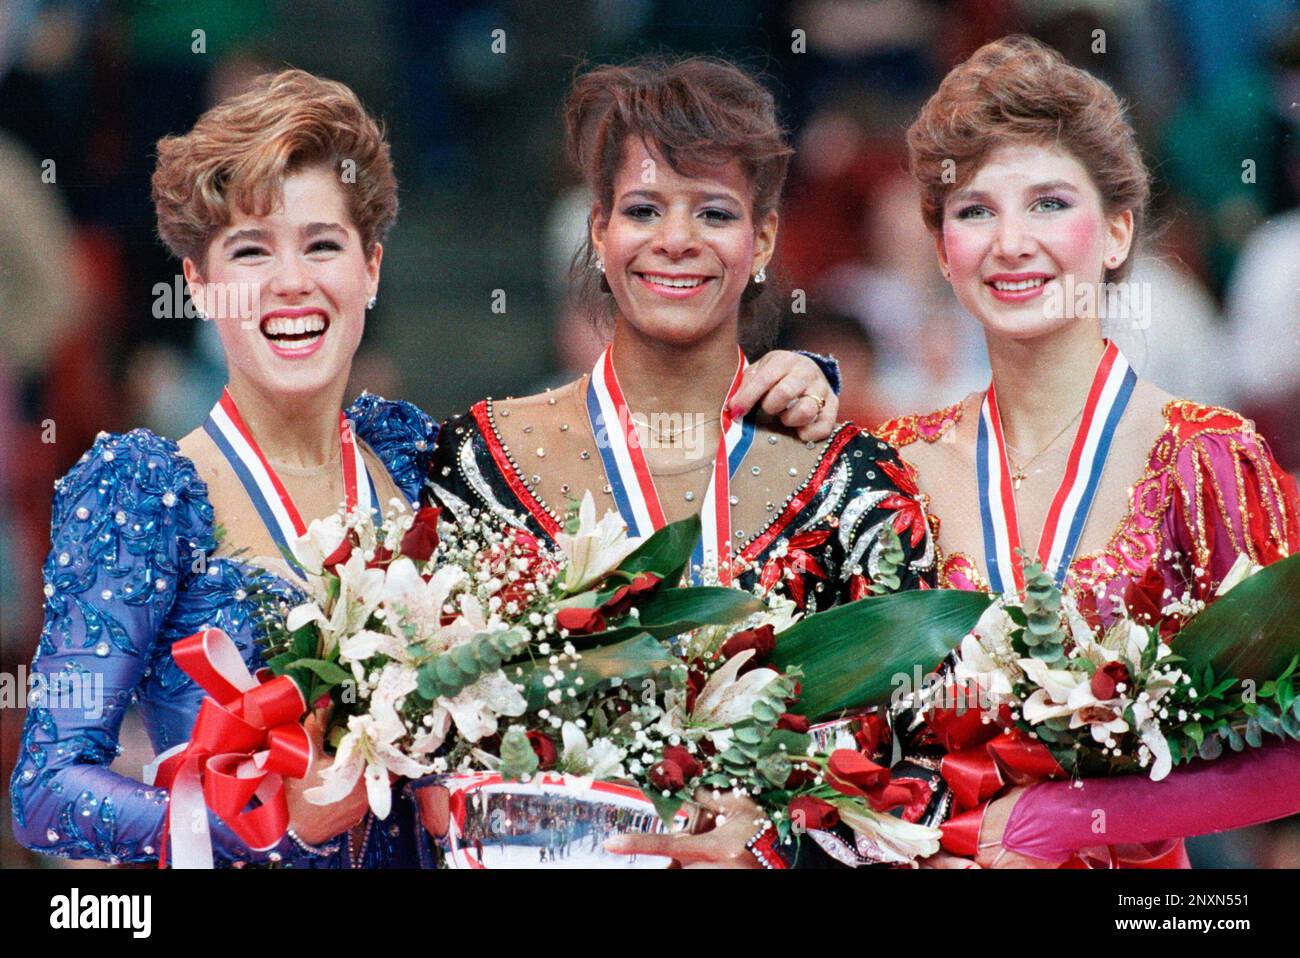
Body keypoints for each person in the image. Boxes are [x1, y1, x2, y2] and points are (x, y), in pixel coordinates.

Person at [9, 67, 845, 869]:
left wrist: (792, 382)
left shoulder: (420, 461)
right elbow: (45, 791)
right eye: (252, 253)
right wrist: (253, 822)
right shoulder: (144, 493)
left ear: (371, 269)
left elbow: (601, 447)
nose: (292, 284)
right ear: (198, 283)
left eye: (323, 244)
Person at [419, 56, 937, 868]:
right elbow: (426, 741)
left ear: (764, 237)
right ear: (598, 230)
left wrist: (776, 844)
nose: (675, 241)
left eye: (715, 212)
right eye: (643, 207)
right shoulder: (480, 462)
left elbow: (922, 769)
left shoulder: (851, 484)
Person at [878, 35, 1300, 868]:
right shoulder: (883, 469)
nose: (1010, 242)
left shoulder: (1207, 460)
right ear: (943, 252)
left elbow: (1289, 753)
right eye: (975, 211)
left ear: (1116, 234)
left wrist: (1067, 821)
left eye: (1047, 203)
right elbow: (829, 740)